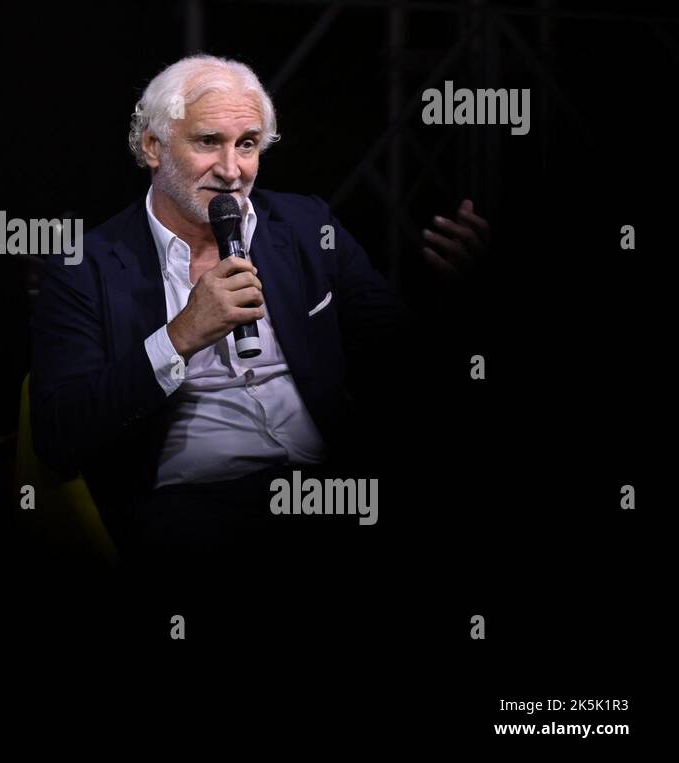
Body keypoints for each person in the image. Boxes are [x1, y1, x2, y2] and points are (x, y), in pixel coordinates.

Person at [28, 53, 489, 571]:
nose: (231, 171)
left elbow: (400, 365)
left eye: (246, 144)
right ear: (153, 146)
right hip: (191, 502)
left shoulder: (307, 225)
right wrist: (179, 336)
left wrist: (463, 302)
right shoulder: (84, 267)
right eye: (208, 142)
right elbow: (60, 435)